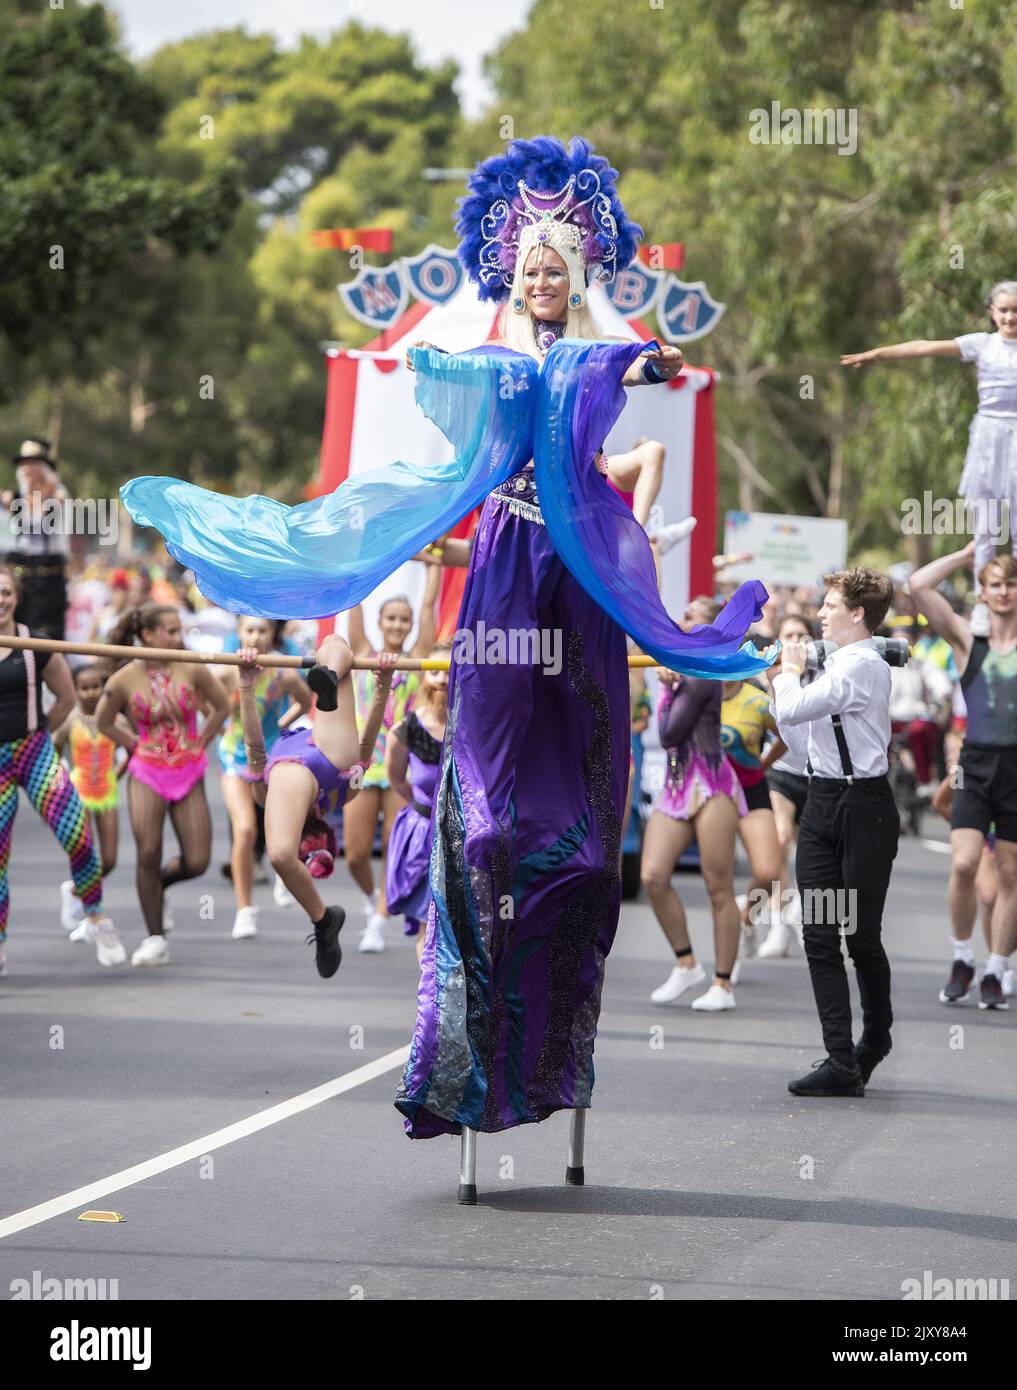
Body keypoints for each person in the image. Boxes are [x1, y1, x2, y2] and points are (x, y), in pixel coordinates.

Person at [119, 136, 771, 1145]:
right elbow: (463, 380)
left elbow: (630, 364)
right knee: (487, 822)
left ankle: (558, 1025)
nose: (545, 276)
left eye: (559, 264)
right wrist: (432, 360)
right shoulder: (497, 363)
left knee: (584, 834)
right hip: (511, 564)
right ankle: (459, 1032)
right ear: (514, 274)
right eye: (532, 265)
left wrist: (653, 359)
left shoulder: (594, 356)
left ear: (580, 274)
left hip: (582, 568)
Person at [769, 568, 899, 1097]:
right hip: (821, 803)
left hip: (865, 809)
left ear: (857, 613)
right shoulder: (833, 666)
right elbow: (796, 735)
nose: (819, 614)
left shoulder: (865, 665)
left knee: (860, 937)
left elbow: (796, 704)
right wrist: (786, 679)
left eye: (829, 605)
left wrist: (787, 673)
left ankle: (878, 1036)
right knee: (818, 934)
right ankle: (840, 1060)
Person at [842, 281, 1017, 623]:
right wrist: (879, 353)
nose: (1011, 317)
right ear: (992, 313)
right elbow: (925, 347)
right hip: (990, 437)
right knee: (985, 526)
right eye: (1005, 310)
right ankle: (984, 603)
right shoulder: (982, 344)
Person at [237, 636, 397, 977]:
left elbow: (252, 745)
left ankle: (324, 920)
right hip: (330, 753)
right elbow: (366, 749)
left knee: (279, 856)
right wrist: (382, 690)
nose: (306, 849)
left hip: (313, 761)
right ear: (322, 831)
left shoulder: (267, 796)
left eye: (304, 854)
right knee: (334, 644)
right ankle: (325, 920)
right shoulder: (344, 797)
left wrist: (246, 687)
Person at [908, 541, 1017, 1009]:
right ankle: (961, 958)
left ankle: (995, 969)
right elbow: (917, 585)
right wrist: (969, 552)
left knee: (1011, 872)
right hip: (974, 764)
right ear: (984, 591)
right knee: (964, 862)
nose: (1005, 592)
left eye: (1012, 584)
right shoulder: (965, 640)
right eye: (996, 584)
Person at [0, 564, 124, 973]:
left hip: (34, 751)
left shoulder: (34, 643)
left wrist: (36, 735)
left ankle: (96, 916)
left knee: (78, 834)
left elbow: (66, 699)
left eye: (6, 592)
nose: (1, 599)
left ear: (16, 597)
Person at [96, 603, 229, 966]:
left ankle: (161, 885)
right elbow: (103, 720)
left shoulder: (192, 666)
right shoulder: (124, 677)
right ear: (148, 635)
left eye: (178, 630)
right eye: (169, 631)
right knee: (148, 852)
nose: (177, 637)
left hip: (188, 769)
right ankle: (155, 937)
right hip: (146, 771)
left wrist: (201, 741)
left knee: (198, 861)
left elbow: (220, 706)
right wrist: (132, 744)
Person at [644, 597, 746, 1012]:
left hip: (712, 787)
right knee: (653, 876)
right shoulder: (684, 670)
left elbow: (669, 733)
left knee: (718, 886)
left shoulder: (701, 674)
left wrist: (670, 687)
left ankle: (723, 983)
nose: (680, 620)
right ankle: (687, 963)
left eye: (690, 617)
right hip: (676, 786)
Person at [344, 564, 438, 953]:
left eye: (405, 620)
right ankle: (373, 901)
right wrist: (362, 560)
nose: (398, 625)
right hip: (364, 767)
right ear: (381, 622)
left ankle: (380, 921)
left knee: (394, 848)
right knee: (355, 853)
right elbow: (354, 604)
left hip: (401, 768)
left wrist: (433, 565)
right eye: (392, 619)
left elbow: (430, 603)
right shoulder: (364, 654)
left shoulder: (419, 659)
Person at [216, 615, 310, 940]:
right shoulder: (228, 669)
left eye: (262, 630)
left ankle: (284, 871)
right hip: (234, 754)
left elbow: (306, 700)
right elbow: (207, 700)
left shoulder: (283, 671)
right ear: (239, 634)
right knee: (244, 828)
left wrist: (283, 724)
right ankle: (244, 910)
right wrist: (214, 725)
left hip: (273, 754)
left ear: (272, 635)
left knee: (278, 826)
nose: (255, 637)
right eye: (249, 630)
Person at [384, 641, 450, 964]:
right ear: (424, 677)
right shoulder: (405, 730)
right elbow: (396, 777)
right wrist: (425, 809)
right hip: (426, 838)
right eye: (435, 672)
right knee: (428, 933)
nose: (442, 680)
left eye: (450, 672)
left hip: (465, 837)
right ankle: (430, 1008)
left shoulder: (473, 726)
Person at [53, 664, 129, 936]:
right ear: (75, 690)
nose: (90, 693)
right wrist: (61, 783)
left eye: (96, 686)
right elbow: (52, 750)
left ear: (105, 688)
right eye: (83, 688)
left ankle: (74, 890)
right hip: (79, 793)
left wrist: (116, 775)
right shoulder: (70, 721)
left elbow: (131, 749)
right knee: (87, 855)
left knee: (109, 859)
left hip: (106, 793)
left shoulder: (116, 721)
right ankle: (91, 915)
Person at [758, 614, 813, 958]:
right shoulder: (765, 677)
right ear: (778, 642)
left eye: (803, 635)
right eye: (789, 635)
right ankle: (778, 924)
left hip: (818, 774)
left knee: (810, 853)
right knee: (778, 840)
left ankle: (805, 917)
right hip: (779, 771)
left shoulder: (826, 674)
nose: (796, 641)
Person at [720, 673, 786, 952]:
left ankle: (747, 915)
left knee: (769, 872)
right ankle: (724, 968)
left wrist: (764, 764)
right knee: (720, 880)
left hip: (751, 788)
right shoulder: (695, 692)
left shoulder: (758, 701)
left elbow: (785, 736)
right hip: (712, 795)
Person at [2, 438, 71, 639]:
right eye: (24, 464)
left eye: (33, 464)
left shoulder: (58, 496)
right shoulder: (13, 496)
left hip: (47, 578)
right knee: (15, 629)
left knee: (45, 635)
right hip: (19, 572)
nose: (26, 469)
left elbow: (40, 524)